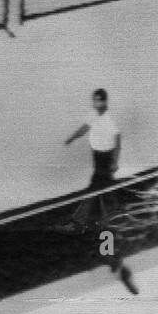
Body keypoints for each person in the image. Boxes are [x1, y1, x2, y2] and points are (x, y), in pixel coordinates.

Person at [61, 88, 122, 232]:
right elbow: (84, 128)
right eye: (94, 100)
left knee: (95, 187)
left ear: (105, 101)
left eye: (99, 100)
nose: (96, 103)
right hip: (97, 156)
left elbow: (118, 142)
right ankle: (115, 215)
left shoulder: (109, 119)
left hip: (106, 158)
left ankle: (78, 222)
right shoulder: (93, 115)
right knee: (106, 187)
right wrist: (72, 138)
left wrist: (114, 161)